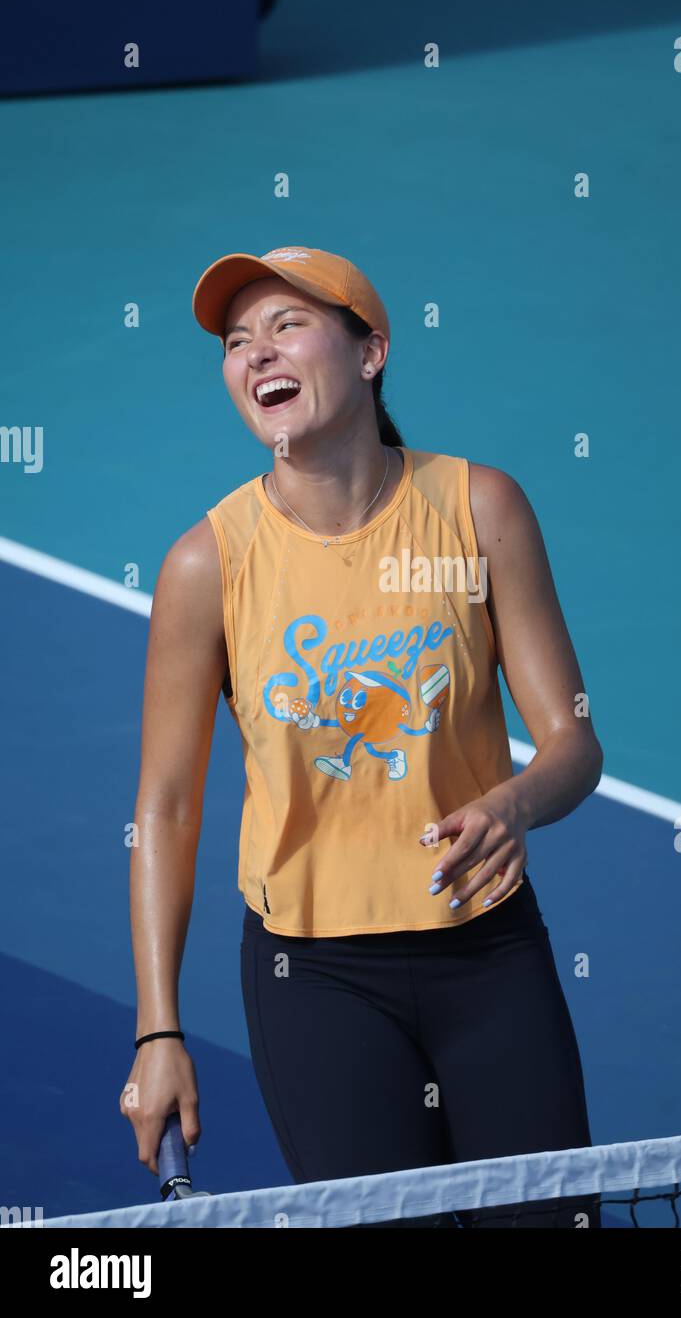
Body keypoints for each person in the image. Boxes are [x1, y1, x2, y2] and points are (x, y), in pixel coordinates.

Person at [120, 244, 604, 1226]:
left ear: (370, 350)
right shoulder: (205, 565)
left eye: (286, 325)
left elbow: (572, 743)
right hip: (315, 977)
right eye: (234, 340)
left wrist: (512, 801)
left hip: (486, 950)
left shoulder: (477, 507)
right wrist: (156, 1029)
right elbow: (166, 808)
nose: (256, 352)